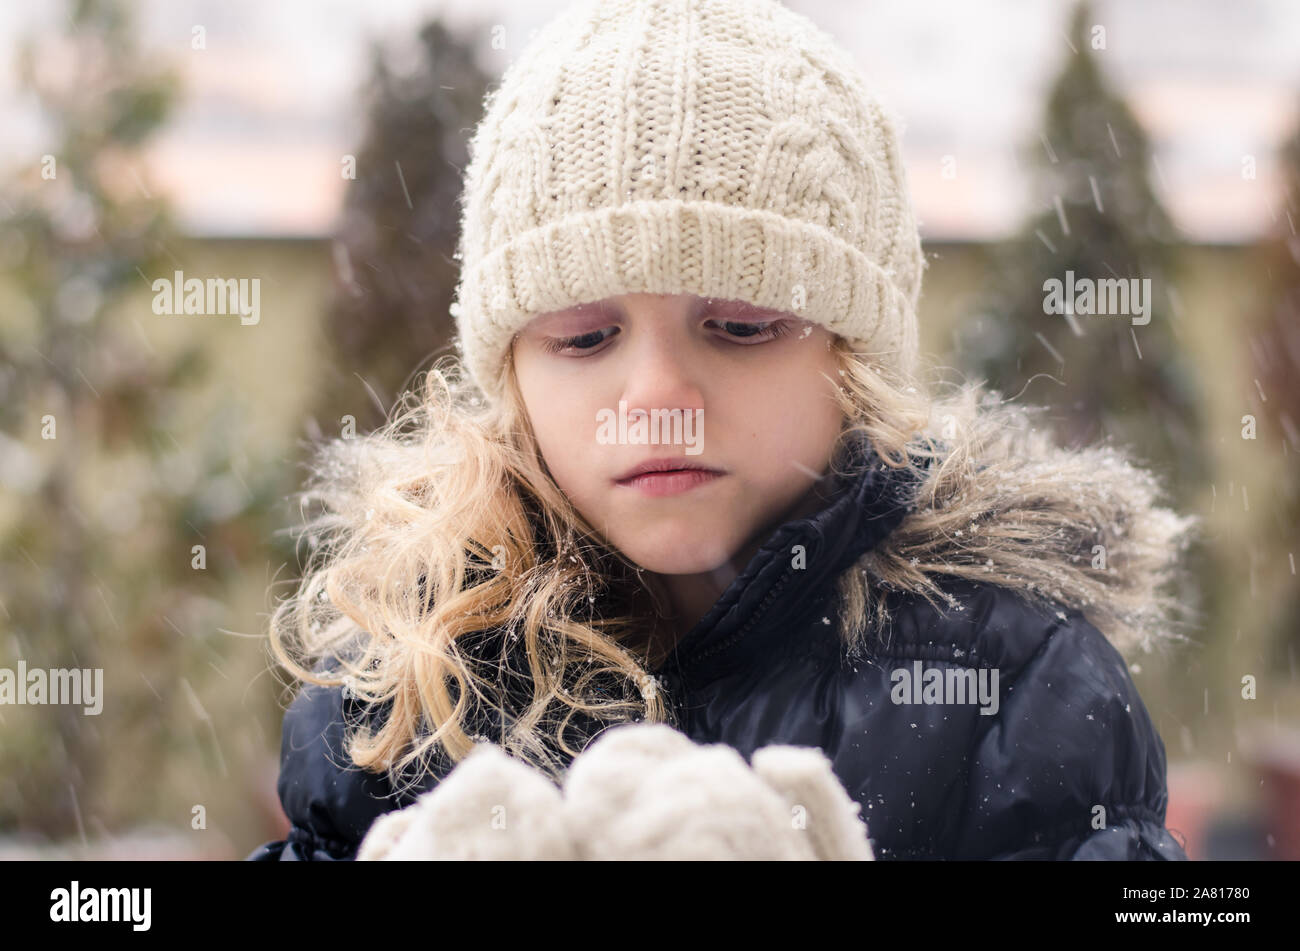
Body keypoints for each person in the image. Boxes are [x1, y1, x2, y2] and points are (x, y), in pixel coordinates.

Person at [247, 0, 1194, 861]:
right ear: (513, 375)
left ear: (851, 359)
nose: (657, 394)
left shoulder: (1017, 687)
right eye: (584, 336)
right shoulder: (410, 690)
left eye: (741, 327)